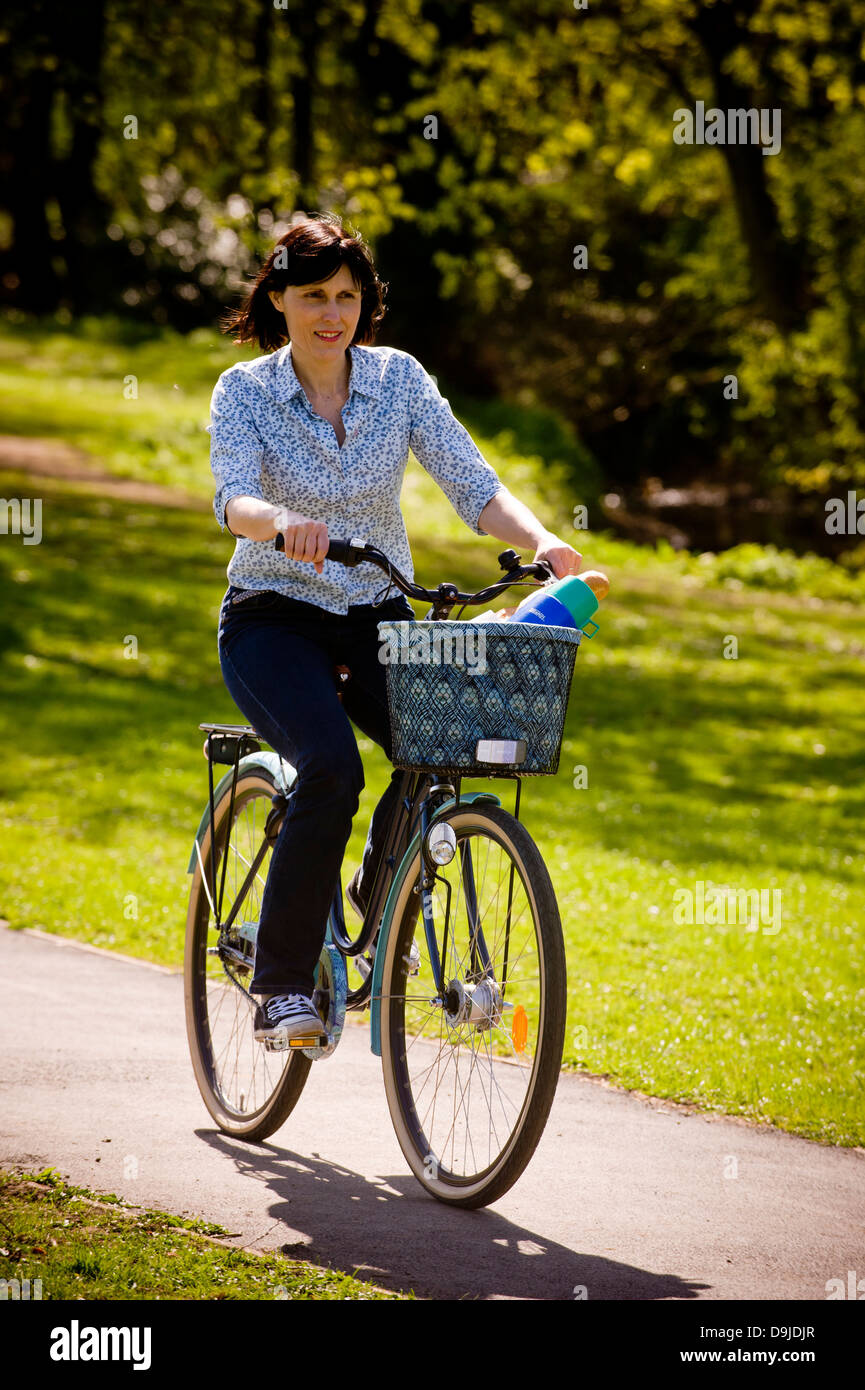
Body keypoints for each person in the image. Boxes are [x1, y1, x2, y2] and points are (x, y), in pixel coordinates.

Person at [209, 213, 582, 1044]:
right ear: (278, 299)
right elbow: (231, 496)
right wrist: (277, 521)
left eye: (347, 295)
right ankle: (278, 984)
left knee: (444, 751)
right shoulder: (245, 392)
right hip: (273, 618)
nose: (331, 313)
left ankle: (381, 913)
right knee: (331, 768)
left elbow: (473, 483)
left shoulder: (399, 381)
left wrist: (541, 541)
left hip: (377, 617)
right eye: (312, 296)